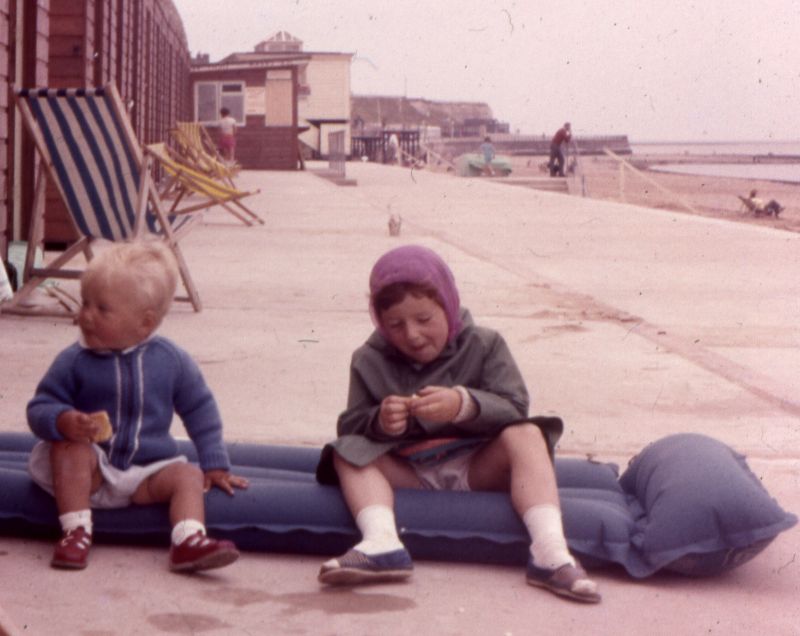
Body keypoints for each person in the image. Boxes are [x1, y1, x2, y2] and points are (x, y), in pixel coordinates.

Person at [315, 245, 600, 603]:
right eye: (395, 325)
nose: (413, 335)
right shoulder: (369, 358)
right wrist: (380, 421)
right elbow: (351, 426)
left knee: (527, 433)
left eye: (424, 319)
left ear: (447, 305)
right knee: (346, 451)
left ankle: (550, 554)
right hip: (409, 471)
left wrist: (463, 405)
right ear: (380, 323)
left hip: (478, 466)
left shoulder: (485, 344)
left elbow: (515, 406)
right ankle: (381, 542)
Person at [27, 241, 249, 572]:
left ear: (145, 323)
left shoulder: (170, 360)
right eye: (85, 303)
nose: (86, 315)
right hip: (93, 472)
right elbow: (40, 406)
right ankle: (75, 531)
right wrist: (62, 420)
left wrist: (214, 462)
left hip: (147, 472)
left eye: (102, 309)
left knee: (187, 475)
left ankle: (187, 540)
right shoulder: (74, 361)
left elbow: (200, 409)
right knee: (69, 449)